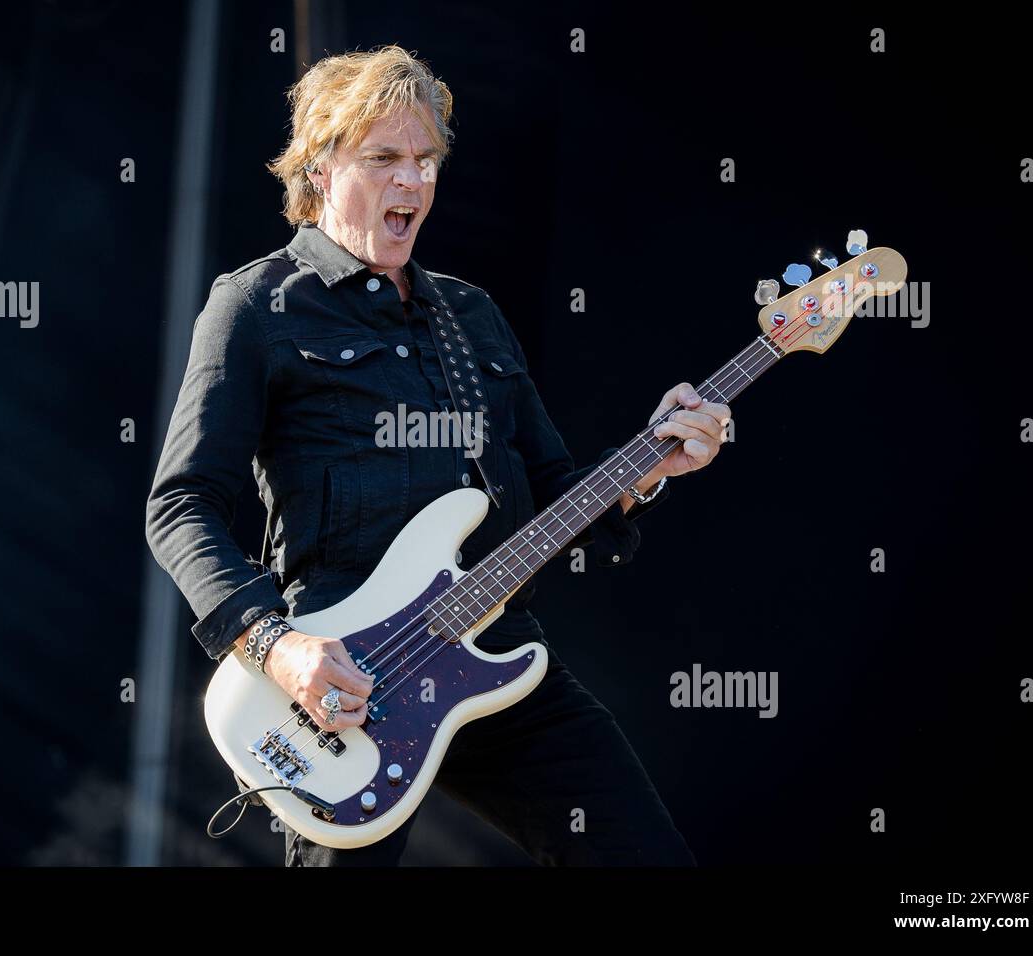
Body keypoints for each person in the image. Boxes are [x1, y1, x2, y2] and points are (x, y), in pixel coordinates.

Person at [146, 45, 729, 866]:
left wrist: (649, 470)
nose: (412, 183)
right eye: (383, 158)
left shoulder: (471, 315)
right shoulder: (256, 307)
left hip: (489, 648)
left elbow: (558, 493)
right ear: (318, 167)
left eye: (425, 161)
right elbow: (180, 506)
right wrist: (276, 645)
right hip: (344, 679)